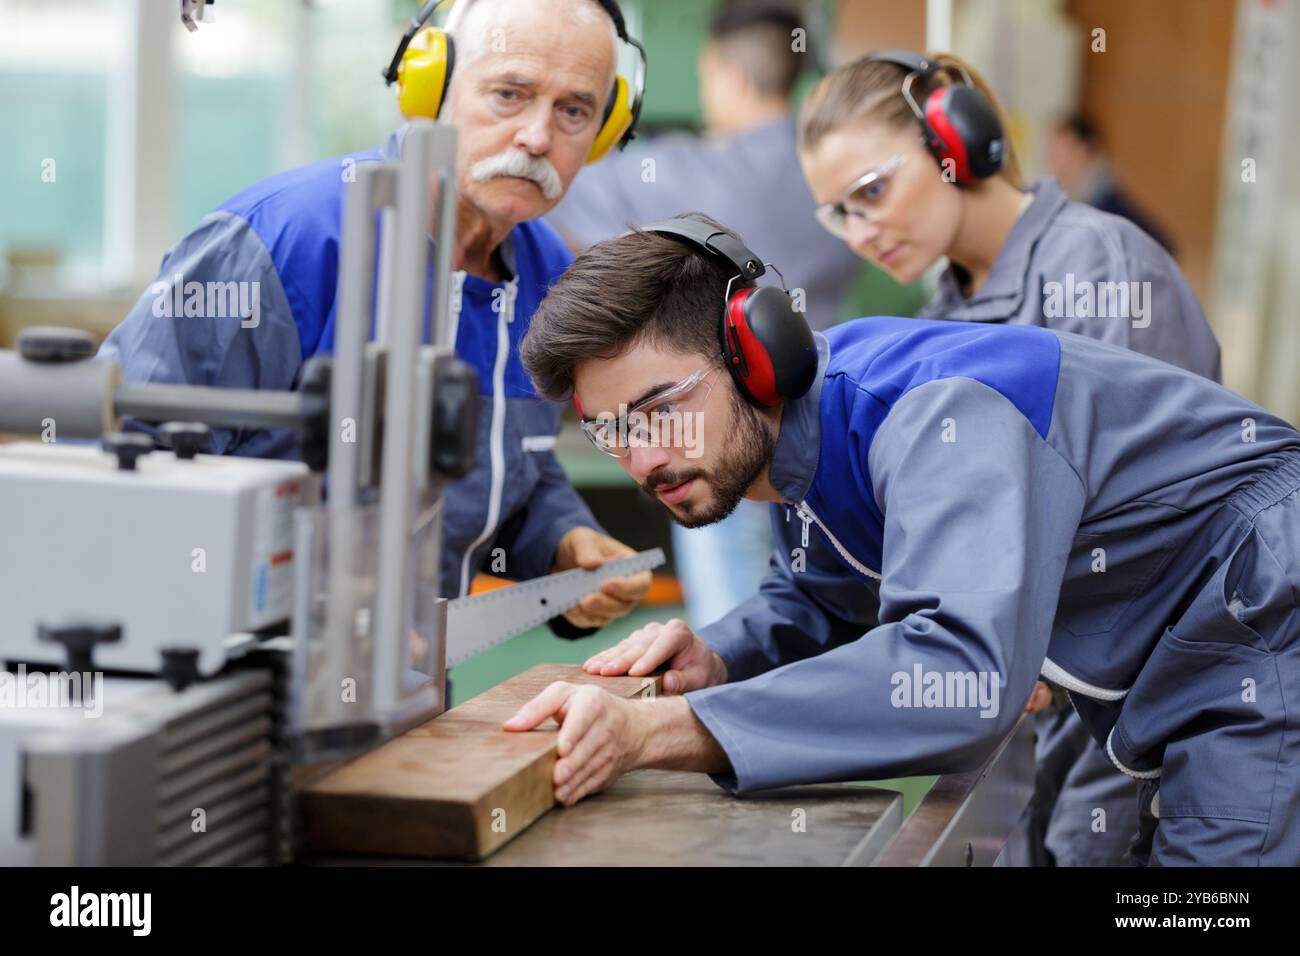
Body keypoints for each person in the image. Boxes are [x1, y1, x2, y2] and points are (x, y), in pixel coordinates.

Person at [505, 213, 1300, 867]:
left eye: (659, 409)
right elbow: (826, 593)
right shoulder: (804, 443)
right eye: (611, 431)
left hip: (1261, 603)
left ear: (756, 354)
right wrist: (719, 657)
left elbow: (960, 671)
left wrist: (662, 732)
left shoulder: (935, 415)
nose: (643, 458)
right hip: (1182, 656)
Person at [792, 51, 1222, 866]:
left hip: (1152, 680)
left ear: (959, 143)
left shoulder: (1102, 270)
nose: (861, 232)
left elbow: (1166, 525)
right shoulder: (945, 319)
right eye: (837, 215)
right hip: (1045, 701)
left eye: (872, 193)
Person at [98, 0, 650, 631]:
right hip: (231, 678)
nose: (537, 136)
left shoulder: (549, 276)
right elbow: (125, 464)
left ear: (605, 130)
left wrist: (562, 539)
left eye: (574, 110)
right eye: (508, 94)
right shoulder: (287, 241)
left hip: (406, 692)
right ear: (430, 86)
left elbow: (507, 463)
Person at [546, 2, 864, 629]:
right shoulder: (834, 174)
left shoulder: (688, 172)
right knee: (817, 617)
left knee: (734, 633)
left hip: (714, 434)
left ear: (727, 74)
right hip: (826, 434)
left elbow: (552, 185)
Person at [1047, 112, 1175, 254]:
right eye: (1054, 154)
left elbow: (1165, 249)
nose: (1055, 163)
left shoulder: (1108, 208)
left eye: (1062, 154)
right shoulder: (1084, 202)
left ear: (1085, 152)